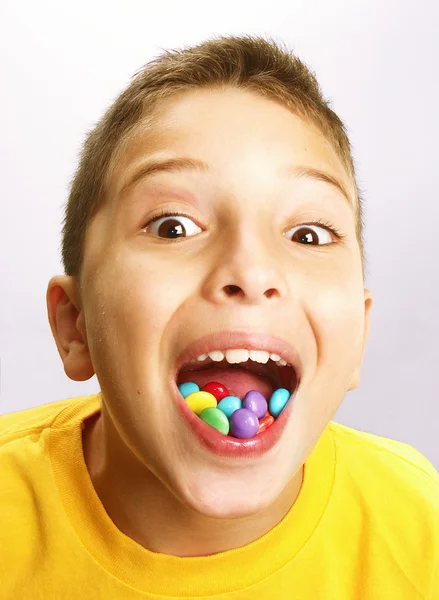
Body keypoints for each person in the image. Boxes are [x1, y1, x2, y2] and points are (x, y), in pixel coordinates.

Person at [1, 34, 438, 599]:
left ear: (358, 332)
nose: (251, 269)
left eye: (308, 233)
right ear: (75, 326)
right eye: (172, 226)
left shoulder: (419, 531)